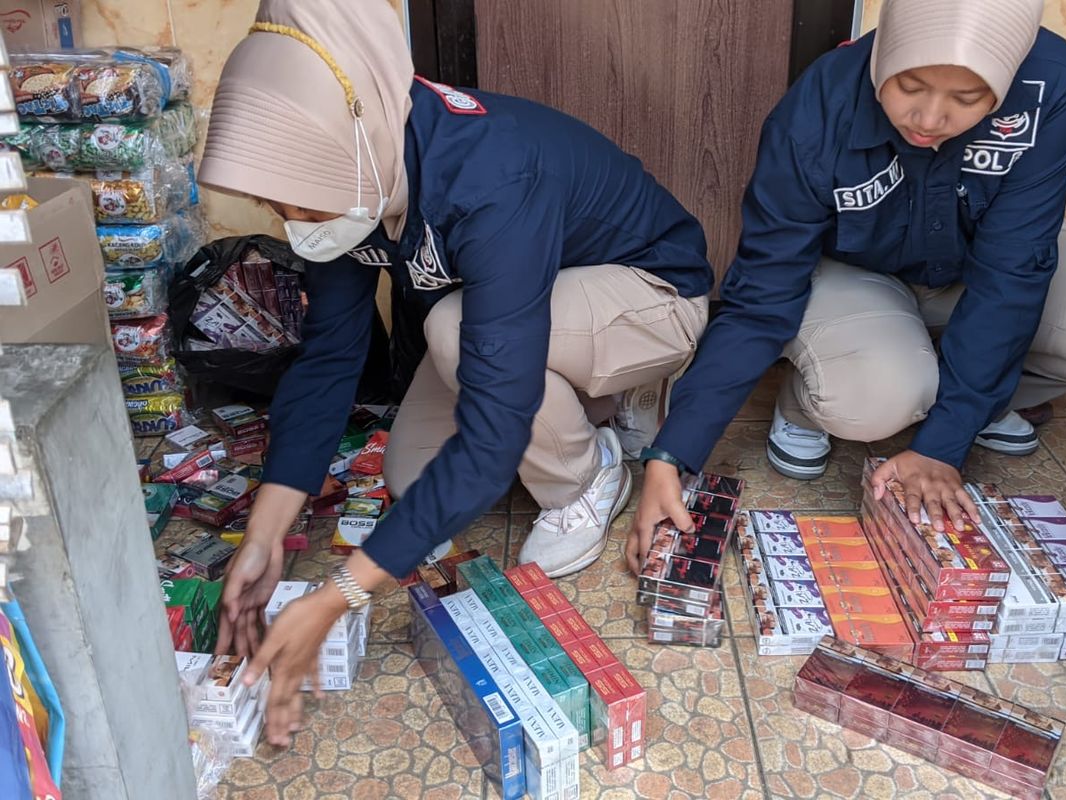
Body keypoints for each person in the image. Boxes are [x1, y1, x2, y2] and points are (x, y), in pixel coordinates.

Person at [200, 0, 712, 746]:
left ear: (356, 134)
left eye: (295, 196)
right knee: (413, 481)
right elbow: (331, 358)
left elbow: (495, 433)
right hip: (532, 305)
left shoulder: (490, 173)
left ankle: (587, 473)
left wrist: (336, 597)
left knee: (458, 333)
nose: (291, 217)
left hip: (653, 296)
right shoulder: (348, 176)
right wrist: (266, 535)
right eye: (271, 203)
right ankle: (592, 397)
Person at [628, 0, 1066, 571]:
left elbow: (1014, 268)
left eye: (968, 98)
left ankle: (964, 400)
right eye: (910, 86)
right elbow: (762, 294)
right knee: (876, 398)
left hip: (973, 263)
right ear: (883, 58)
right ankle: (816, 402)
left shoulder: (1053, 79)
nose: (928, 117)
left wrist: (943, 446)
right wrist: (672, 455)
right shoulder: (817, 109)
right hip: (856, 275)